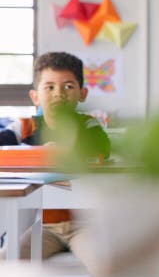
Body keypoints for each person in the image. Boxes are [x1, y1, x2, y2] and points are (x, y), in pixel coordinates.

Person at [0, 51, 110, 265]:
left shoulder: (89, 125)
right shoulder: (24, 127)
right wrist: (39, 152)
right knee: (7, 261)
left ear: (82, 93)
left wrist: (65, 149)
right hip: (43, 227)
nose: (59, 93)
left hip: (84, 225)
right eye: (49, 87)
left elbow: (102, 147)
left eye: (68, 86)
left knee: (104, 263)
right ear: (35, 96)